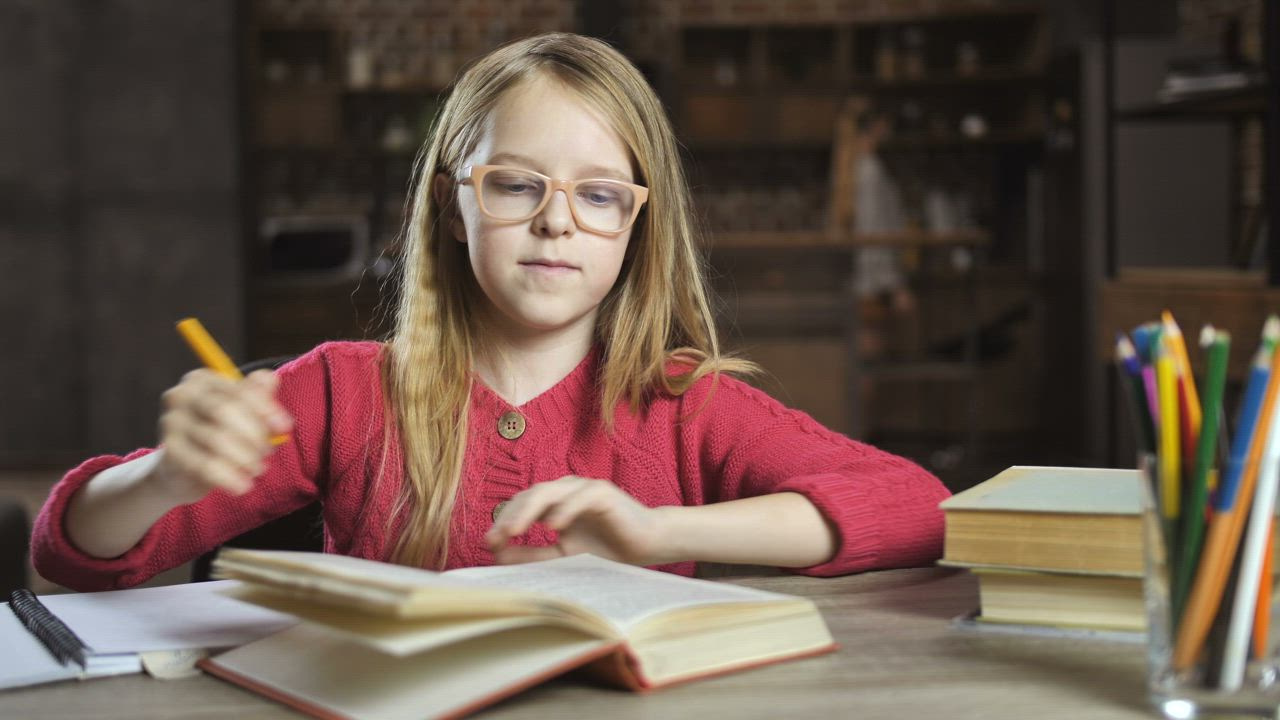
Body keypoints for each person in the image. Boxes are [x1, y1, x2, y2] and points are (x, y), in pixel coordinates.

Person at [32, 33, 949, 593]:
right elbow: (71, 553)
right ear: (450, 204)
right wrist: (163, 480)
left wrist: (663, 531)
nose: (557, 220)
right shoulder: (343, 394)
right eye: (516, 184)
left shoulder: (685, 404)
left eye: (599, 195)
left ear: (636, 225)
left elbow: (923, 509)